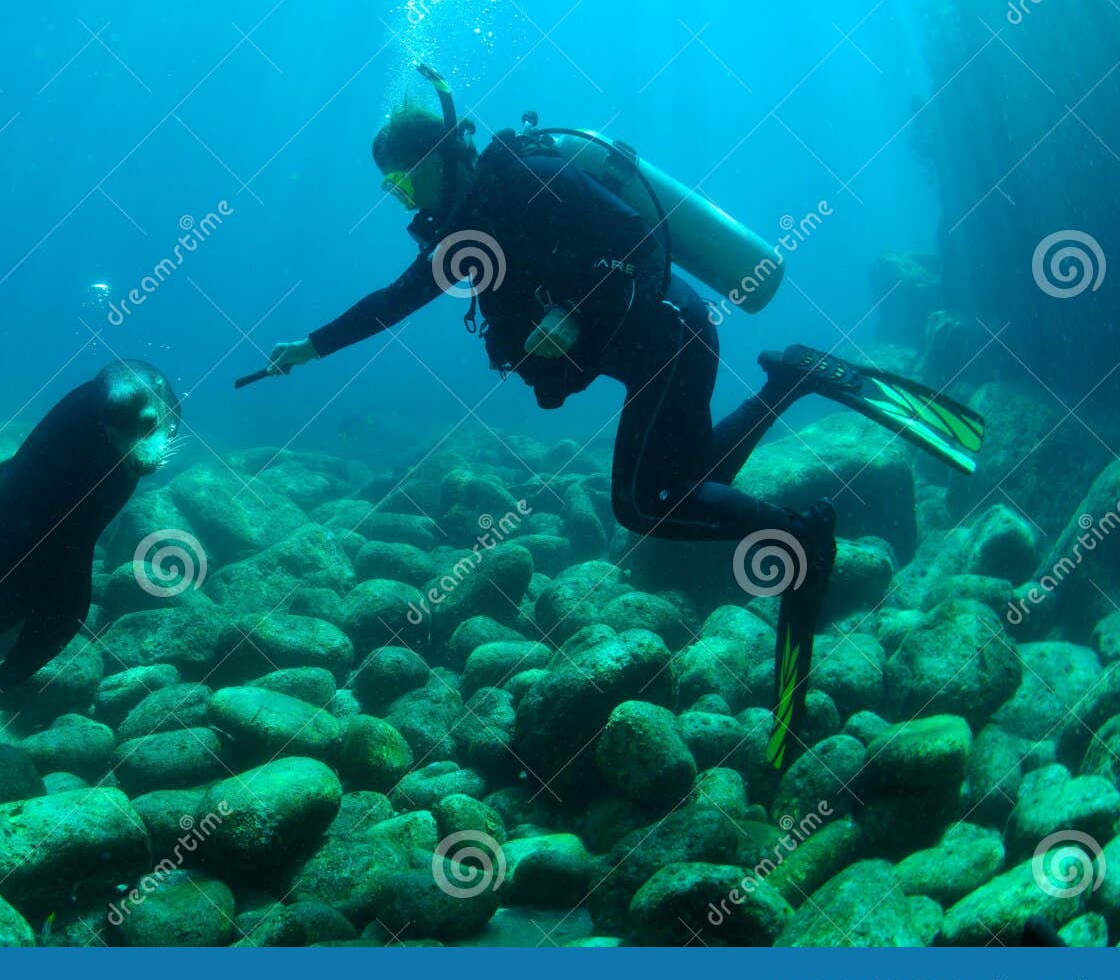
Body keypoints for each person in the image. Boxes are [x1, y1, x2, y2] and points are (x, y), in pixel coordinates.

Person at [261, 67, 983, 770]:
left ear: (440, 158)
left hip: (669, 336)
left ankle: (803, 538)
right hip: (657, 349)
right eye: (392, 188)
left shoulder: (521, 181)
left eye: (407, 181)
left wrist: (575, 315)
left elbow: (638, 237)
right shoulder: (464, 229)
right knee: (693, 483)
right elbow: (395, 298)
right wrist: (309, 348)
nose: (402, 199)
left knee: (644, 505)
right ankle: (791, 381)